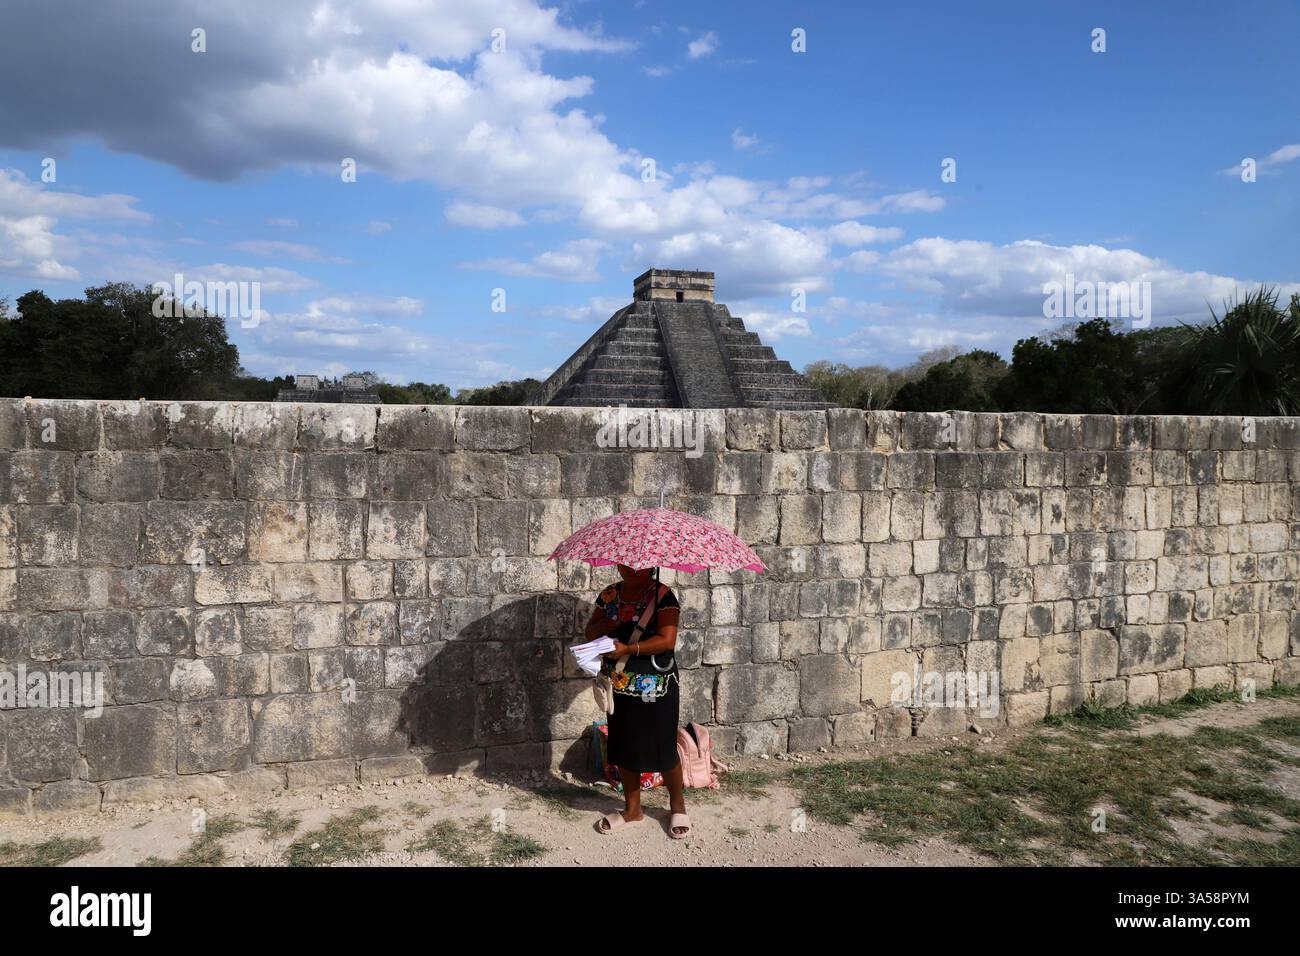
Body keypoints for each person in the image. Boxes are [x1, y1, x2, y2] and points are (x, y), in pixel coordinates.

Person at [582, 563, 689, 838]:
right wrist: (607, 625)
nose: (629, 569)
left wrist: (629, 648)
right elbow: (590, 631)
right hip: (618, 682)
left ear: (651, 566)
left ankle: (677, 806)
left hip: (657, 685)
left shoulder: (663, 596)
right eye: (624, 563)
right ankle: (632, 809)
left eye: (637, 565)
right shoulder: (610, 595)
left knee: (663, 745)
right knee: (623, 744)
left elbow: (667, 640)